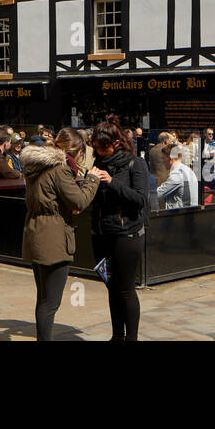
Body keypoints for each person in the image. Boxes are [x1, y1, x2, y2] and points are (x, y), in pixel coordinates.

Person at [21, 127, 103, 341]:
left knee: (43, 299)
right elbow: (79, 201)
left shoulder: (38, 166)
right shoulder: (60, 169)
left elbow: (57, 196)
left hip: (36, 232)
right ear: (75, 151)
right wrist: (93, 180)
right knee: (51, 302)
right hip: (53, 238)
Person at [89, 116, 149, 341]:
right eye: (95, 145)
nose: (97, 149)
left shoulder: (135, 163)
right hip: (102, 233)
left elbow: (141, 199)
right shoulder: (98, 163)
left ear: (115, 143)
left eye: (101, 146)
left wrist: (112, 182)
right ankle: (116, 336)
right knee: (111, 288)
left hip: (127, 234)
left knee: (125, 288)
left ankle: (131, 338)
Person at [156, 142, 199, 210]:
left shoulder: (176, 175)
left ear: (170, 158)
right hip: (191, 214)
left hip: (180, 217)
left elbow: (157, 194)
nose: (162, 161)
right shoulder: (188, 170)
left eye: (163, 158)